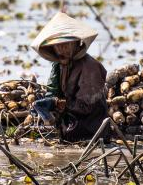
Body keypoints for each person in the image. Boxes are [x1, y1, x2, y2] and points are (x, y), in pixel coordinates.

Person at [31, 12, 108, 142]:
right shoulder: (58, 65)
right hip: (68, 121)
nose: (61, 49)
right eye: (57, 45)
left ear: (77, 44)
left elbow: (86, 107)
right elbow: (52, 91)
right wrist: (48, 103)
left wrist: (60, 105)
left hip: (90, 129)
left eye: (66, 44)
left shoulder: (90, 67)